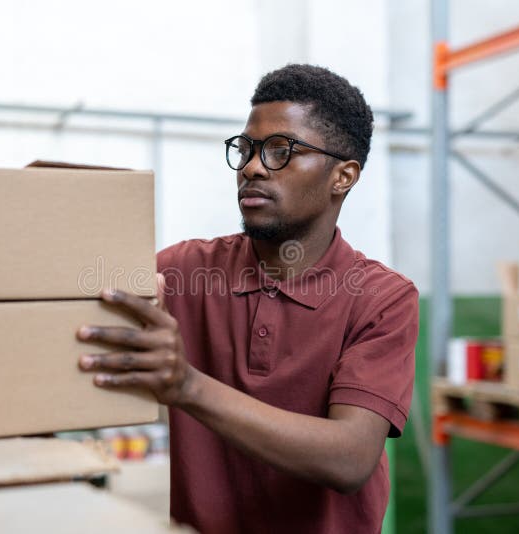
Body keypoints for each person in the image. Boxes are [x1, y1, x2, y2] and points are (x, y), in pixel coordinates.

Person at [77, 64, 419, 534]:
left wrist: (186, 386)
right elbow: (61, 304)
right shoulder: (184, 271)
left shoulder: (381, 299)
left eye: (282, 151)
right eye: (246, 149)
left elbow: (350, 458)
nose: (253, 167)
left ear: (343, 177)